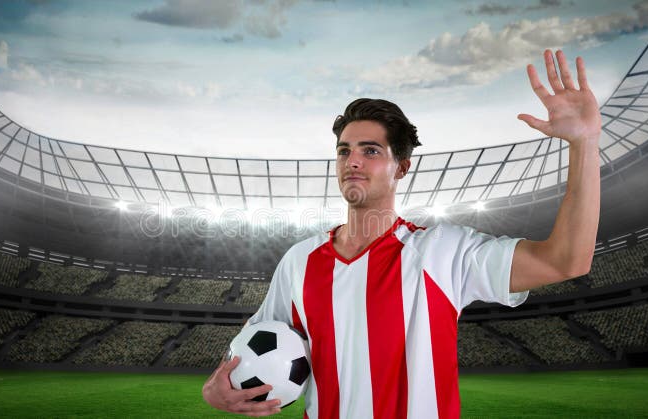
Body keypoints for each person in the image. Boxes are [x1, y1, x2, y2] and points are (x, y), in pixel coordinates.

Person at [202, 49, 601, 418]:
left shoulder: (442, 252)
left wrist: (584, 143)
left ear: (402, 166)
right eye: (344, 151)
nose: (352, 161)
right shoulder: (299, 262)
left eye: (371, 151)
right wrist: (213, 390)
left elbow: (566, 259)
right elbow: (246, 352)